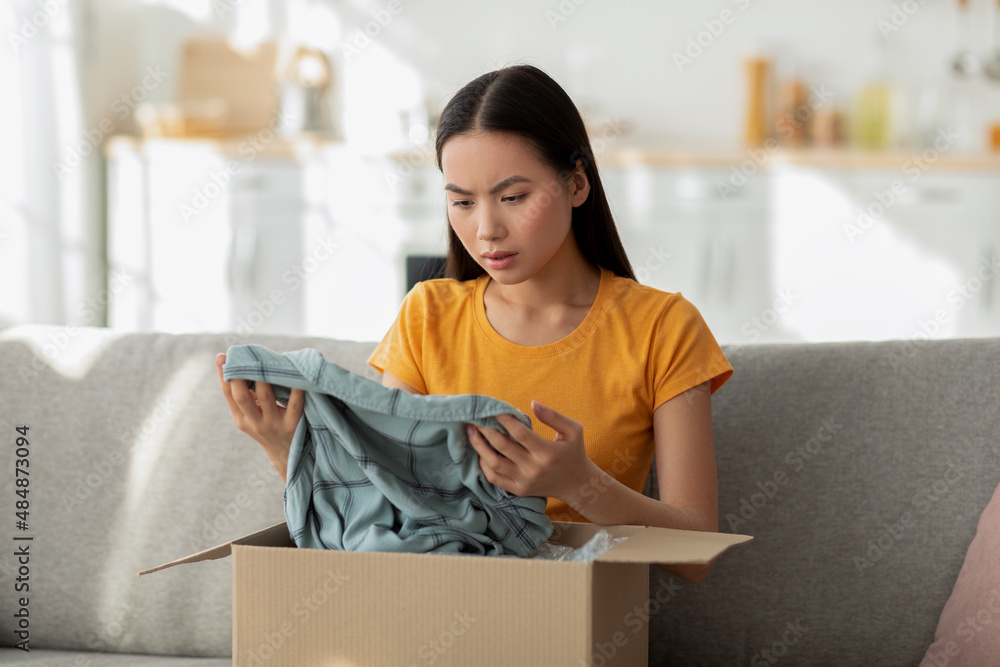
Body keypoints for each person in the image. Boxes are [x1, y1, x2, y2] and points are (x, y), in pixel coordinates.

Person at [216, 63, 733, 583]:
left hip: (569, 621)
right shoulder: (427, 316)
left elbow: (698, 552)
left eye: (513, 198)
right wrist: (286, 452)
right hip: (428, 604)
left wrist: (581, 484)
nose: (486, 230)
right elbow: (384, 515)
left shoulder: (664, 327)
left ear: (576, 183)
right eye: (461, 202)